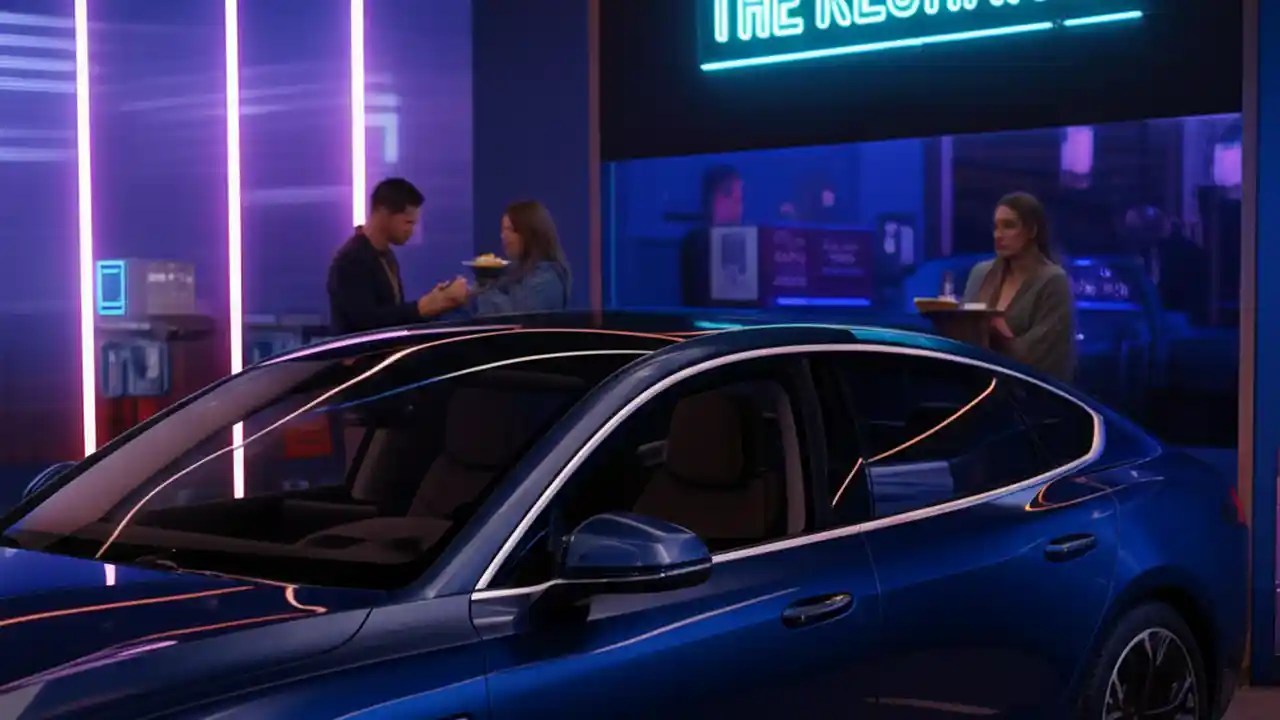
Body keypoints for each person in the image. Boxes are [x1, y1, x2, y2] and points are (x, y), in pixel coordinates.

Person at [327, 178, 467, 334]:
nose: (412, 231)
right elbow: (366, 324)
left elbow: (392, 314)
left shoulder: (386, 256)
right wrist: (424, 307)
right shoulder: (351, 260)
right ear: (383, 213)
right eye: (408, 222)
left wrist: (434, 301)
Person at [962, 192, 1077, 382]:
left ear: (1032, 230)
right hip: (977, 387)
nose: (998, 235)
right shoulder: (981, 273)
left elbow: (1042, 356)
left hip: (1030, 395)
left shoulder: (1053, 281)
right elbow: (964, 338)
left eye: (1008, 226)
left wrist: (1000, 334)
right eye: (996, 227)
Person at [459, 200, 571, 316]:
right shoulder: (512, 273)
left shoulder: (547, 279)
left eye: (511, 230)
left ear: (530, 234)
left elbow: (514, 316)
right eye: (503, 230)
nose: (503, 236)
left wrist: (476, 293)